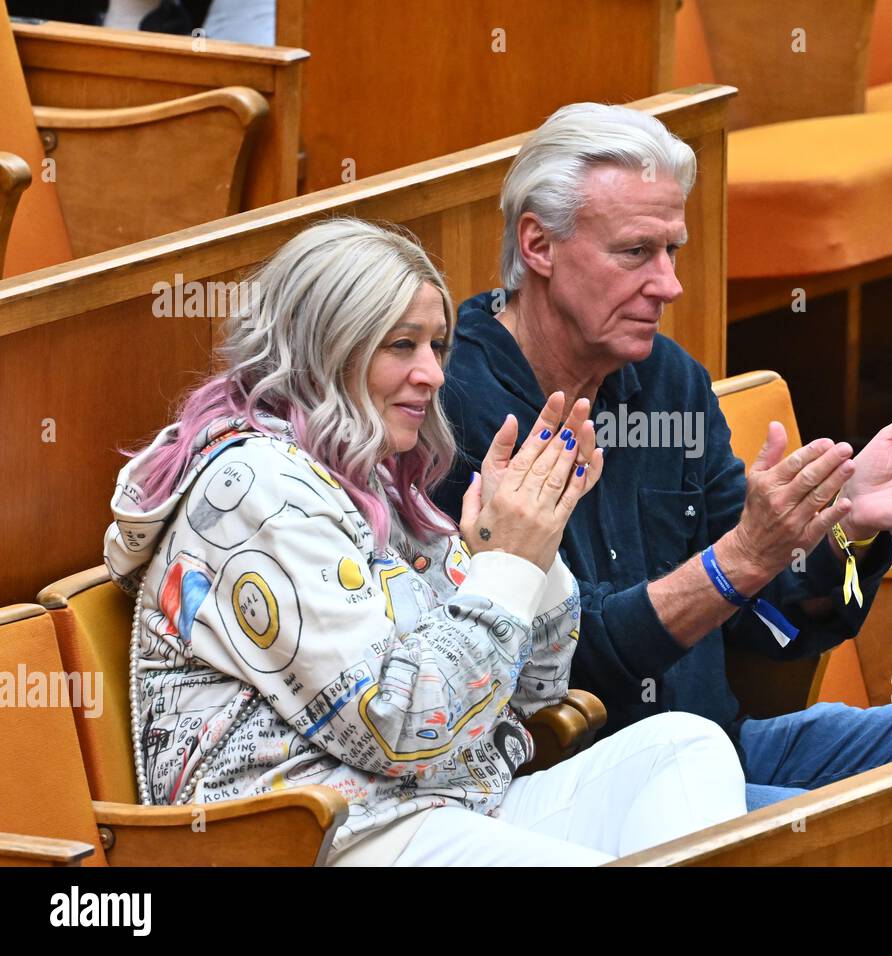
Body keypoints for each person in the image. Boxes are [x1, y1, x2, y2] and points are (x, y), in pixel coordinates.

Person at [432, 103, 892, 811]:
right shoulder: (452, 408)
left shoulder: (669, 380)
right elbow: (568, 664)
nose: (669, 284)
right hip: (598, 788)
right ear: (539, 245)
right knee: (852, 832)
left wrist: (839, 526)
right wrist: (739, 558)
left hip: (730, 745)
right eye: (635, 252)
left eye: (673, 251)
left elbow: (772, 629)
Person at [104, 217, 746, 865]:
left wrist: (533, 548)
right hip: (315, 836)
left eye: (437, 346)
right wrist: (506, 564)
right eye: (401, 346)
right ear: (326, 344)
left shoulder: (384, 476)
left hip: (439, 806)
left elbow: (537, 689)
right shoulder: (254, 488)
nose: (433, 374)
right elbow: (398, 727)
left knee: (683, 746)